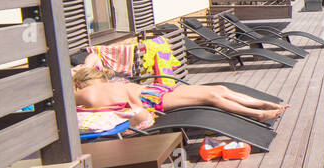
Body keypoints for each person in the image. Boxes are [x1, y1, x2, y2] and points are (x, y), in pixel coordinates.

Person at [72, 54, 287, 126]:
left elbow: (93, 58)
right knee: (211, 96)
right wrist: (75, 78)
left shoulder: (96, 81)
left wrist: (81, 71)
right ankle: (259, 113)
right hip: (150, 102)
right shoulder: (83, 94)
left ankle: (262, 103)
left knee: (219, 87)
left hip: (155, 89)